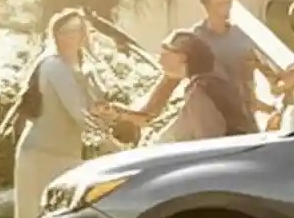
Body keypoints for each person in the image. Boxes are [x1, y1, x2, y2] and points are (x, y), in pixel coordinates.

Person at [7, 8, 100, 218]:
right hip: (39, 154)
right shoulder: (53, 66)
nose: (71, 37)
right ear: (55, 34)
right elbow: (80, 114)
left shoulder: (86, 68)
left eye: (77, 30)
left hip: (69, 156)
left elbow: (100, 107)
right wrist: (114, 143)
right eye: (65, 31)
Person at [135, 0, 273, 129]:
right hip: (207, 119)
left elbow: (268, 74)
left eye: (227, 3)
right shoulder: (193, 40)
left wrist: (275, 107)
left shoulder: (243, 37)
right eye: (218, 4)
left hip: (243, 120)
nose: (224, 9)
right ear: (206, 6)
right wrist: (140, 115)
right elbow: (167, 84)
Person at [96, 29, 259, 143]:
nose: (160, 58)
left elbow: (210, 144)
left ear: (182, 57)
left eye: (165, 52)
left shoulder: (202, 91)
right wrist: (117, 113)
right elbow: (148, 114)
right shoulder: (183, 79)